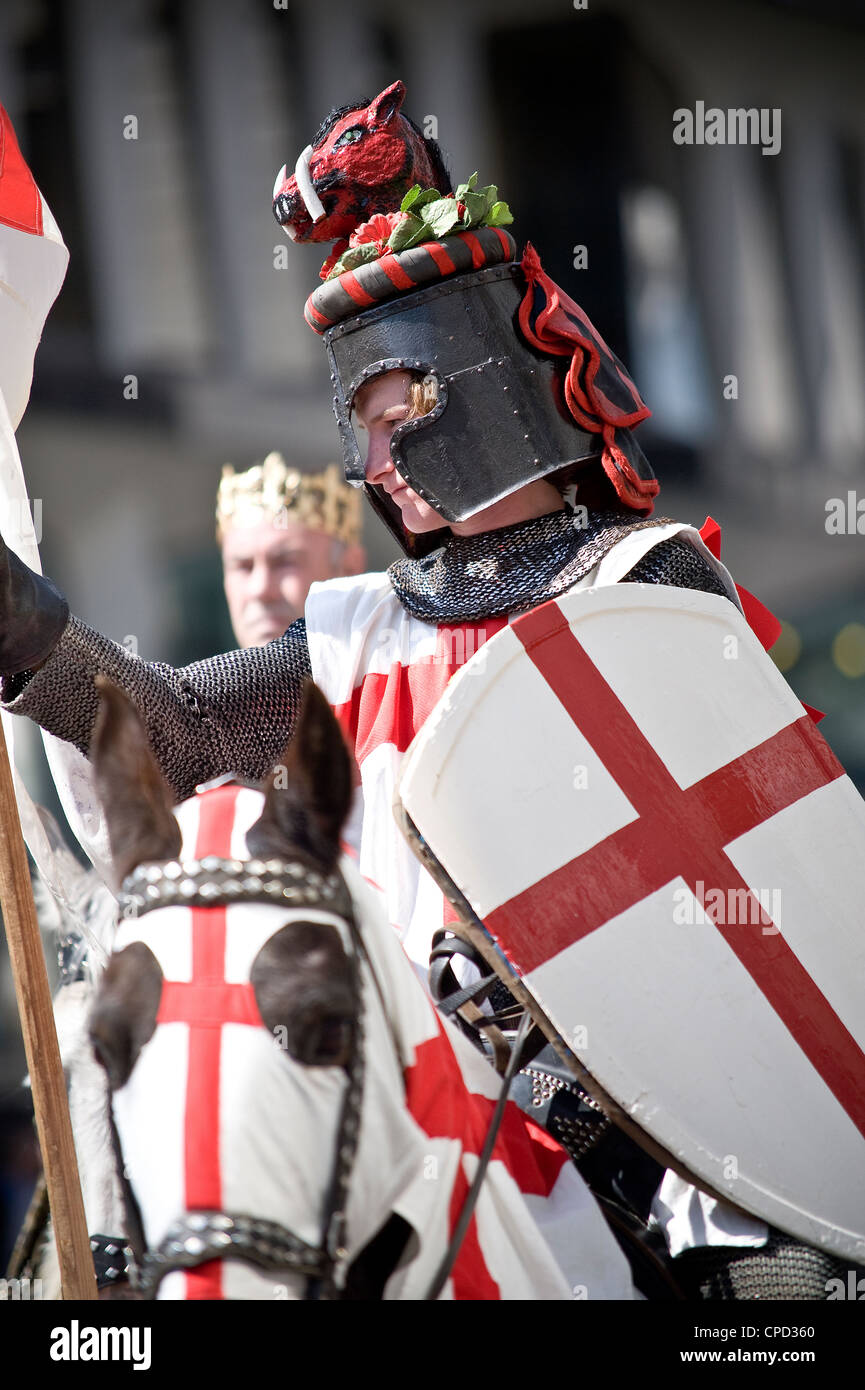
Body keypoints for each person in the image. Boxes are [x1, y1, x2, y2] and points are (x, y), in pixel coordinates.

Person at [0, 82, 842, 1299]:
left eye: (402, 415)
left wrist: (540, 1024)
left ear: (492, 388)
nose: (375, 463)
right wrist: (22, 627)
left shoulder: (644, 588)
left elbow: (740, 892)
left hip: (645, 1130)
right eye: (362, 426)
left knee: (775, 1299)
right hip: (395, 1086)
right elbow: (171, 733)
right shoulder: (359, 627)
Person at [217, 455, 366, 648]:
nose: (260, 589)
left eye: (284, 562)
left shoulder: (394, 674)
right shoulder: (198, 678)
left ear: (349, 568)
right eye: (244, 567)